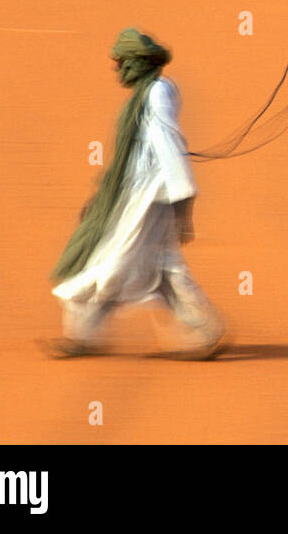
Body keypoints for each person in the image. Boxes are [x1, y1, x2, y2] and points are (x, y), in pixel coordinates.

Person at [45, 28, 225, 359]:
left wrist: (184, 201)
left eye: (121, 62)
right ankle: (202, 331)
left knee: (117, 263)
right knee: (135, 264)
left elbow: (168, 146)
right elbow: (136, 155)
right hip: (135, 196)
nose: (117, 69)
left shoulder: (156, 92)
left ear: (136, 62)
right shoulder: (151, 91)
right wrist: (102, 199)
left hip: (151, 199)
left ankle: (203, 332)